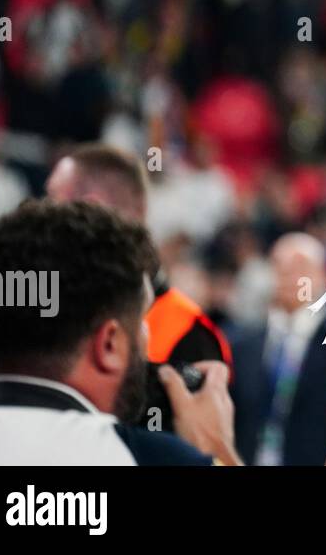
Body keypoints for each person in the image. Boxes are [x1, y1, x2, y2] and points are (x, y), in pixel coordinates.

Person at [0, 199, 239, 465]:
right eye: (141, 318)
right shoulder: (152, 458)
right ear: (109, 345)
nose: (145, 334)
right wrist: (214, 448)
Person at [46, 143, 232, 425]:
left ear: (91, 208)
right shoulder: (49, 309)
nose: (41, 217)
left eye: (52, 202)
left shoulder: (188, 333)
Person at [229, 233, 326, 465]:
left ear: (324, 275)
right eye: (279, 265)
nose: (289, 274)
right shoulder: (242, 345)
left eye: (300, 265)